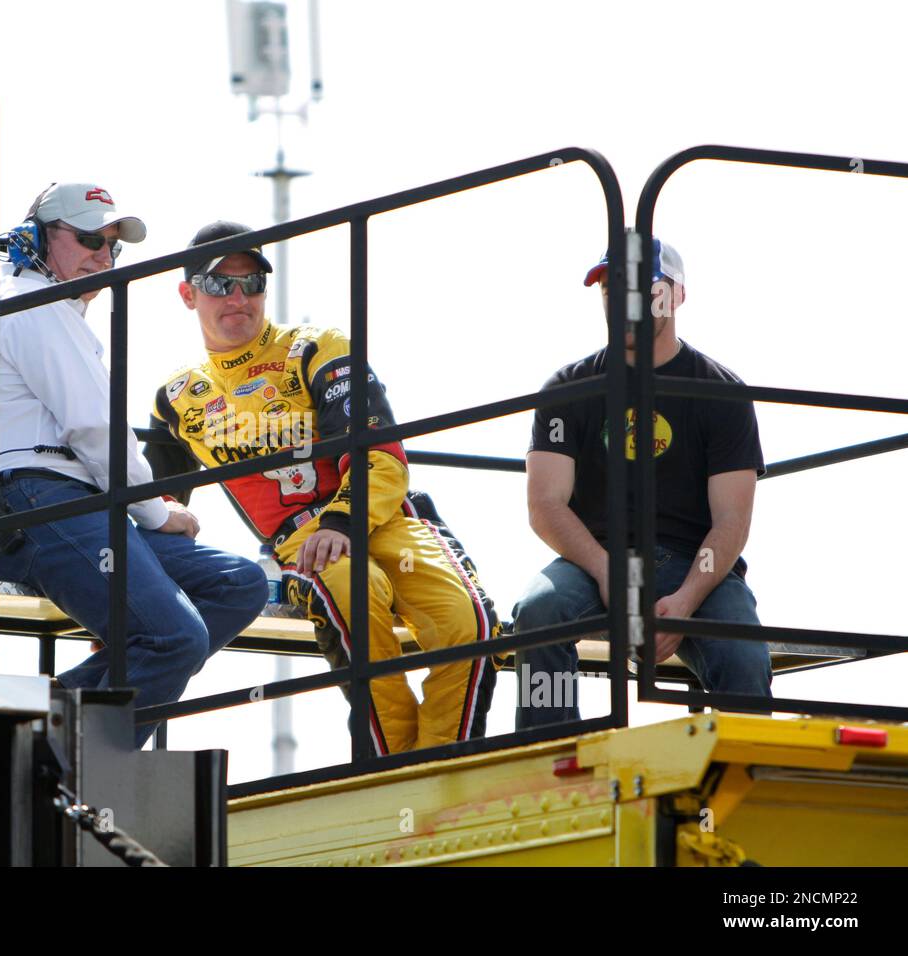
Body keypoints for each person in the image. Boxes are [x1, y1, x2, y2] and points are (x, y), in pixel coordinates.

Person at [144, 221, 499, 756]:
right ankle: (399, 767)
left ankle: (445, 761)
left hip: (383, 517)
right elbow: (155, 500)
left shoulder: (316, 347)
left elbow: (380, 450)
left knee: (465, 619)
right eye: (220, 285)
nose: (238, 298)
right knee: (354, 590)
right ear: (188, 294)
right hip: (297, 542)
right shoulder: (176, 396)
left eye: (253, 283)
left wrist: (342, 520)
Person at [0, 187, 269, 749]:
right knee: (174, 638)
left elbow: (93, 433)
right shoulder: (35, 306)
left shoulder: (51, 310)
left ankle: (46, 717)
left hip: (70, 503)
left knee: (239, 583)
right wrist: (153, 510)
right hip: (41, 502)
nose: (103, 255)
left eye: (112, 245)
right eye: (89, 238)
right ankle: (75, 761)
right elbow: (95, 429)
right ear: (39, 238)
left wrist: (143, 507)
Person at [513, 240, 771, 730]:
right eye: (610, 288)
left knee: (743, 655)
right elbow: (544, 504)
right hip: (594, 559)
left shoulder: (721, 391)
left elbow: (733, 519)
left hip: (695, 565)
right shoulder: (568, 387)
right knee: (538, 612)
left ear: (674, 296)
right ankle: (554, 766)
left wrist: (687, 600)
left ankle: (739, 791)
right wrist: (606, 570)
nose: (620, 299)